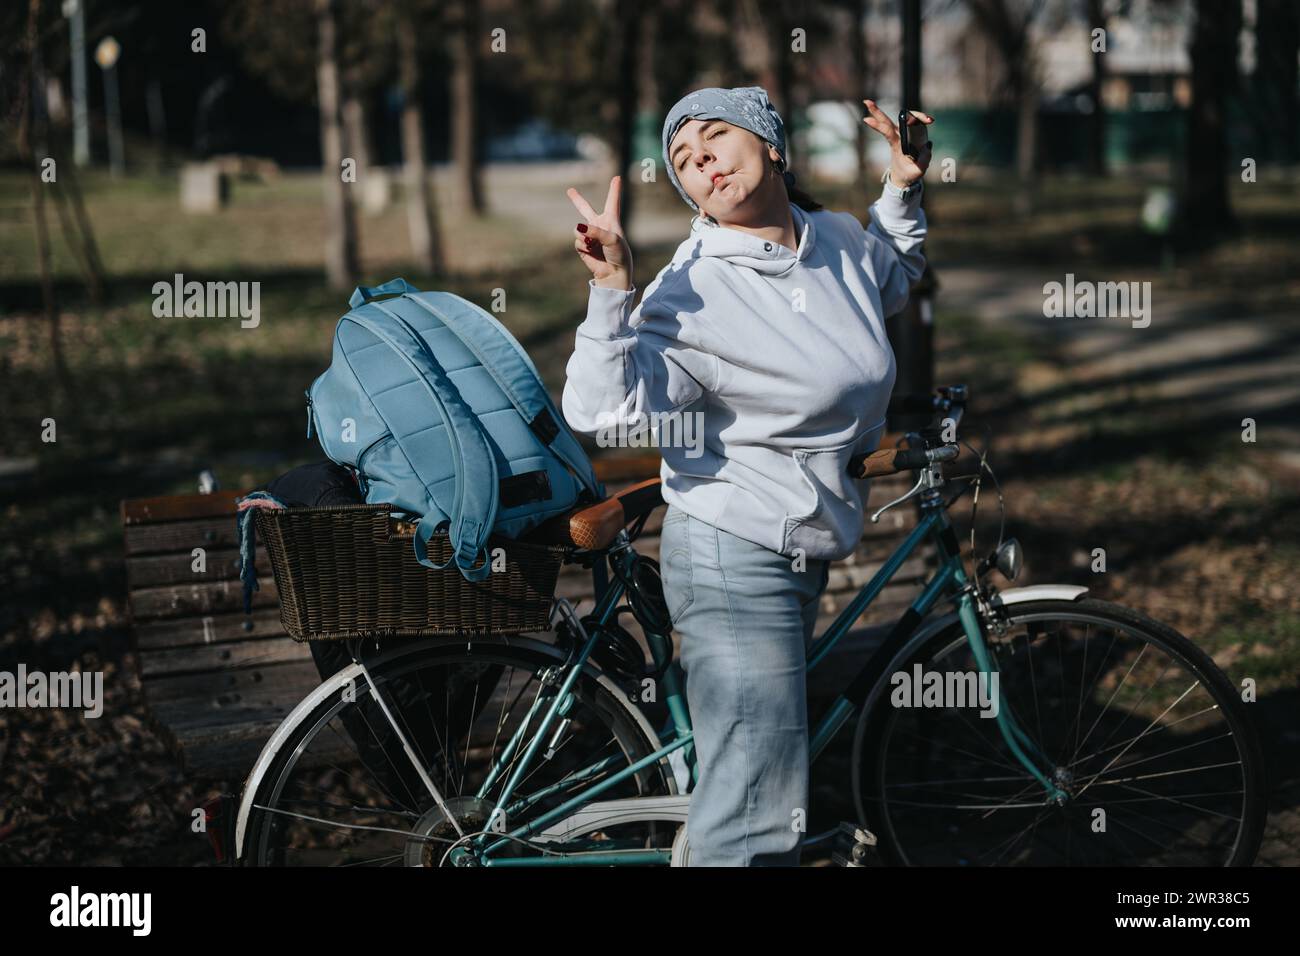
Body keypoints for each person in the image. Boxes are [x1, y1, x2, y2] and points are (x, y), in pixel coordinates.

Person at [560, 85, 933, 866]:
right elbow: (604, 411)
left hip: (795, 544)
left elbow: (888, 277)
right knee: (757, 822)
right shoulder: (695, 287)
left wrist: (901, 186)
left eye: (713, 138)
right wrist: (611, 290)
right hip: (735, 554)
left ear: (771, 145)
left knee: (752, 786)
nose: (701, 162)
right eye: (684, 161)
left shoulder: (829, 235)